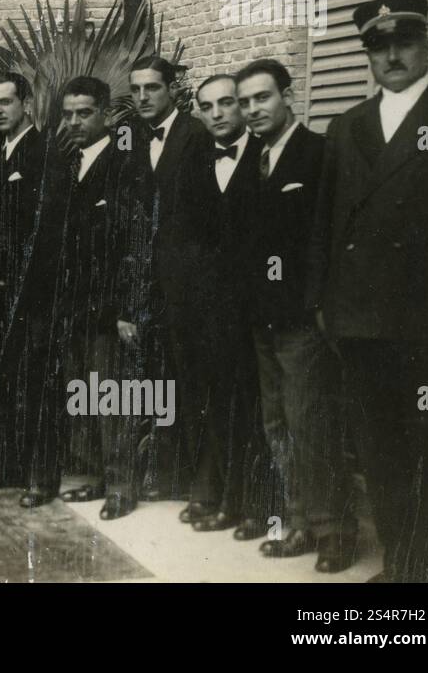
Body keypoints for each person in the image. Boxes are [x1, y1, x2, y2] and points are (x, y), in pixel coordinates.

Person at [308, 0, 428, 583]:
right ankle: (405, 564)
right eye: (378, 46)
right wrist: (323, 303)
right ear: (368, 58)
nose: (392, 55)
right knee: (382, 451)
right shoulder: (346, 126)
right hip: (362, 325)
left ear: (426, 44)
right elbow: (326, 225)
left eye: (404, 41)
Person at [235, 58, 355, 571]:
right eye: (245, 102)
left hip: (302, 321)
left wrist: (318, 307)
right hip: (262, 318)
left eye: (261, 98)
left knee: (312, 425)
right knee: (277, 423)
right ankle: (300, 522)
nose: (252, 109)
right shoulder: (250, 158)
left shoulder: (318, 155)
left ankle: (335, 532)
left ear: (288, 95)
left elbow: (330, 238)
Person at [50, 77, 152, 516]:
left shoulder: (126, 163)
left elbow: (136, 243)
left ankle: (121, 487)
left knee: (111, 395)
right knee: (80, 393)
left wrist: (129, 309)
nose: (74, 121)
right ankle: (92, 475)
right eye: (68, 113)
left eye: (84, 112)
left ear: (106, 114)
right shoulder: (64, 162)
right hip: (70, 303)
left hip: (108, 306)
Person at [128, 55, 219, 512]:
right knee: (162, 381)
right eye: (137, 90)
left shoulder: (199, 137)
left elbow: (210, 220)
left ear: (173, 91)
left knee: (194, 383)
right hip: (155, 289)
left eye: (153, 88)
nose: (144, 97)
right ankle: (170, 473)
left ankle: (204, 484)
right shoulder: (136, 142)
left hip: (193, 290)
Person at [187, 74, 270, 536]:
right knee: (218, 404)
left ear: (240, 107)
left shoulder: (264, 156)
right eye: (207, 106)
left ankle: (251, 503)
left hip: (255, 309)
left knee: (255, 410)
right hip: (209, 311)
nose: (217, 113)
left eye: (225, 104)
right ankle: (219, 494)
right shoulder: (195, 159)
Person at [0, 73, 53, 498]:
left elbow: (41, 233)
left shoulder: (44, 151)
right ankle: (9, 466)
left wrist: (11, 283)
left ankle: (39, 477)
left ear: (27, 103)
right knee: (3, 383)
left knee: (33, 386)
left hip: (29, 294)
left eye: (6, 102)